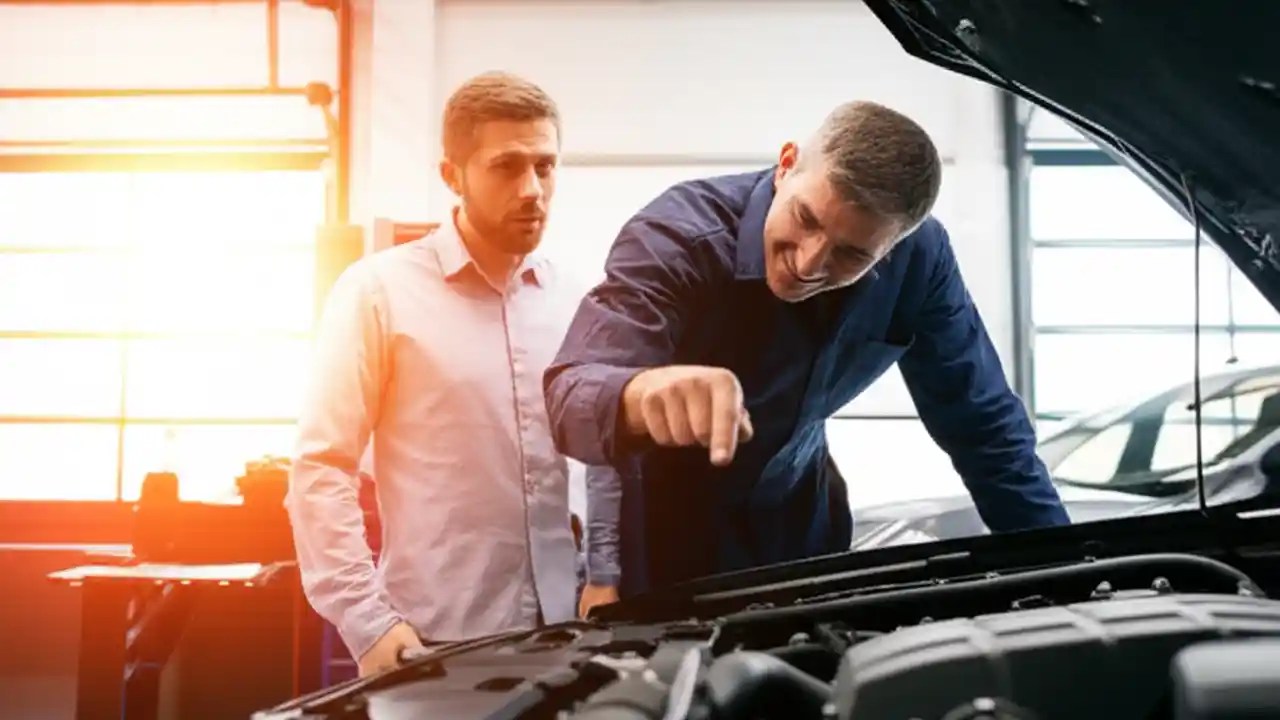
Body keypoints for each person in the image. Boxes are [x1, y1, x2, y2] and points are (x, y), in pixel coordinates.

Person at [547, 100, 1071, 604]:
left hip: (806, 538)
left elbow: (985, 428)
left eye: (851, 254)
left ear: (893, 247)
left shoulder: (921, 261)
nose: (809, 262)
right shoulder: (679, 235)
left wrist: (1062, 574)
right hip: (663, 551)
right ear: (787, 164)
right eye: (806, 218)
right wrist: (637, 393)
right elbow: (570, 393)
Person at [287, 71, 580, 676]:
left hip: (567, 633)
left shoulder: (574, 299)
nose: (533, 189)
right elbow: (322, 467)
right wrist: (367, 624)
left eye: (546, 166)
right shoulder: (378, 291)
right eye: (507, 166)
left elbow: (605, 461)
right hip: (432, 644)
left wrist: (606, 574)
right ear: (452, 175)